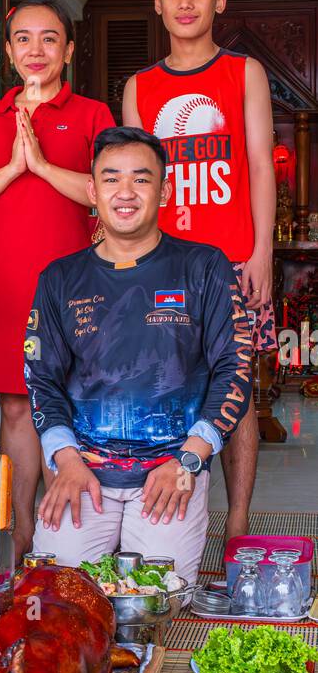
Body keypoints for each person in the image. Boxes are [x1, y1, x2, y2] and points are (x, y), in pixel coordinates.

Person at [26, 127, 253, 586]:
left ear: (165, 191)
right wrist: (64, 459)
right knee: (55, 596)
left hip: (171, 468)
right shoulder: (59, 278)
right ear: (92, 191)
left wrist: (189, 459)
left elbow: (236, 367)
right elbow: (41, 379)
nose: (125, 193)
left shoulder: (204, 266)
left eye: (141, 179)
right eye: (111, 179)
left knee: (156, 599)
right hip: (85, 471)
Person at [0, 0, 115, 557]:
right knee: (17, 404)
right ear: (10, 51)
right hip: (8, 276)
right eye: (23, 38)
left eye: (49, 39)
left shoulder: (93, 115)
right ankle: (21, 530)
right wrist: (14, 166)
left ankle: (69, 525)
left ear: (68, 50)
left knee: (72, 396)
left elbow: (107, 194)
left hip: (76, 283)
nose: (36, 50)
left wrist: (42, 165)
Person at [122, 0, 276, 540]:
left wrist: (262, 252)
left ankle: (236, 528)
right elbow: (133, 182)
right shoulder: (140, 86)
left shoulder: (244, 72)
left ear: (220, 2)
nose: (186, 3)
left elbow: (260, 164)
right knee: (161, 386)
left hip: (234, 259)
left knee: (234, 395)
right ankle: (163, 519)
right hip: (164, 262)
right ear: (157, 5)